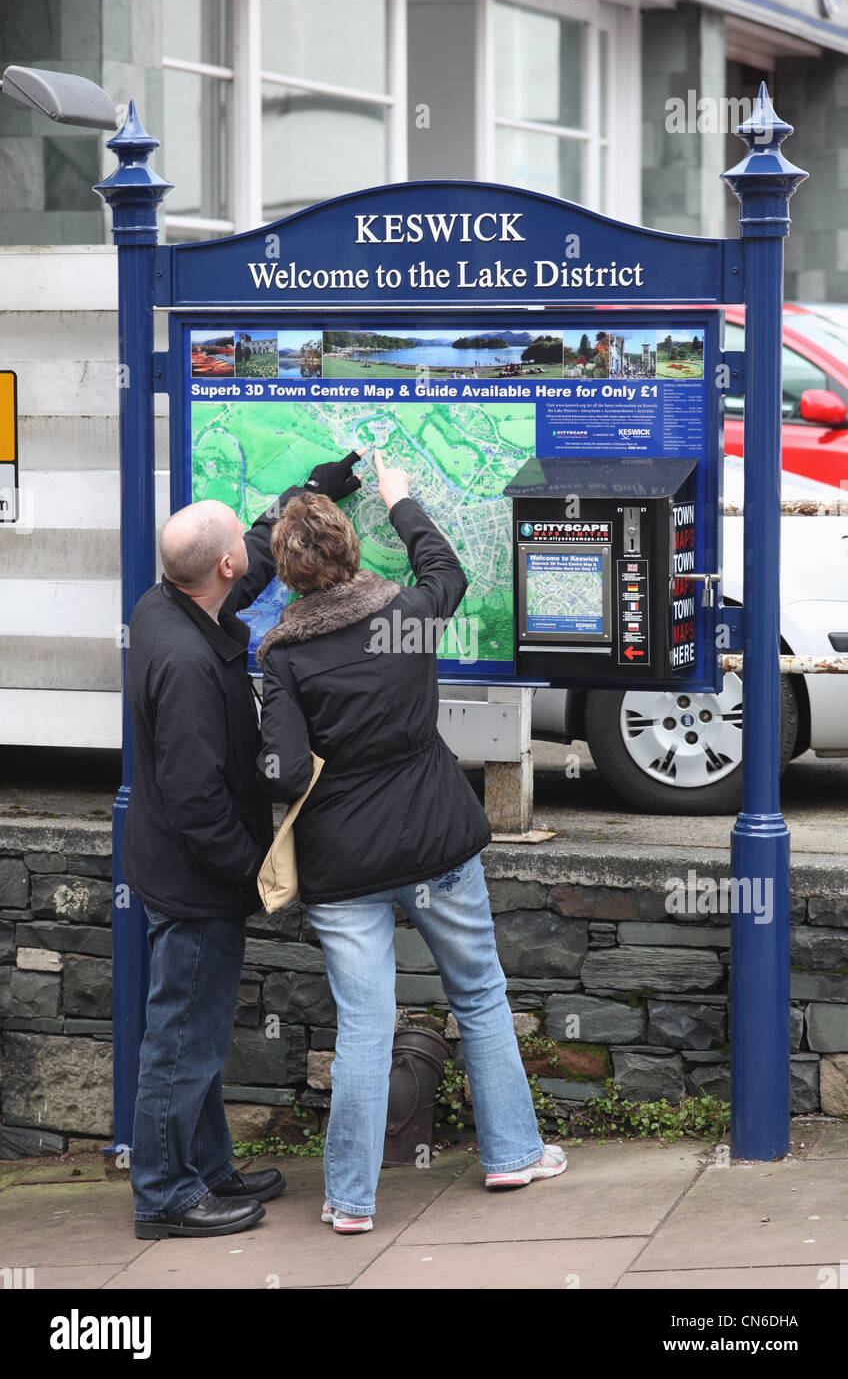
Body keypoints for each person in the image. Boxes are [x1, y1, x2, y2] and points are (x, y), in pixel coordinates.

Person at [256, 450, 566, 1233]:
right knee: (480, 995)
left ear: (287, 577)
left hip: (342, 862)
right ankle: (512, 1155)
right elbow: (446, 571)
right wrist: (401, 500)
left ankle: (352, 1202)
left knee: (363, 1026)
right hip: (435, 845)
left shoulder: (286, 658)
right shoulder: (402, 616)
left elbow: (286, 772)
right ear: (353, 551)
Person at [123, 453, 362, 1240]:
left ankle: (207, 1168)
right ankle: (164, 1195)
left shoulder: (167, 603)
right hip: (197, 879)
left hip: (173, 867)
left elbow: (251, 558)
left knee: (199, 1032)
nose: (249, 559)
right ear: (221, 566)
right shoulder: (189, 664)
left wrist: (315, 490)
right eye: (239, 548)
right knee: (182, 1042)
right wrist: (253, 876)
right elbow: (196, 801)